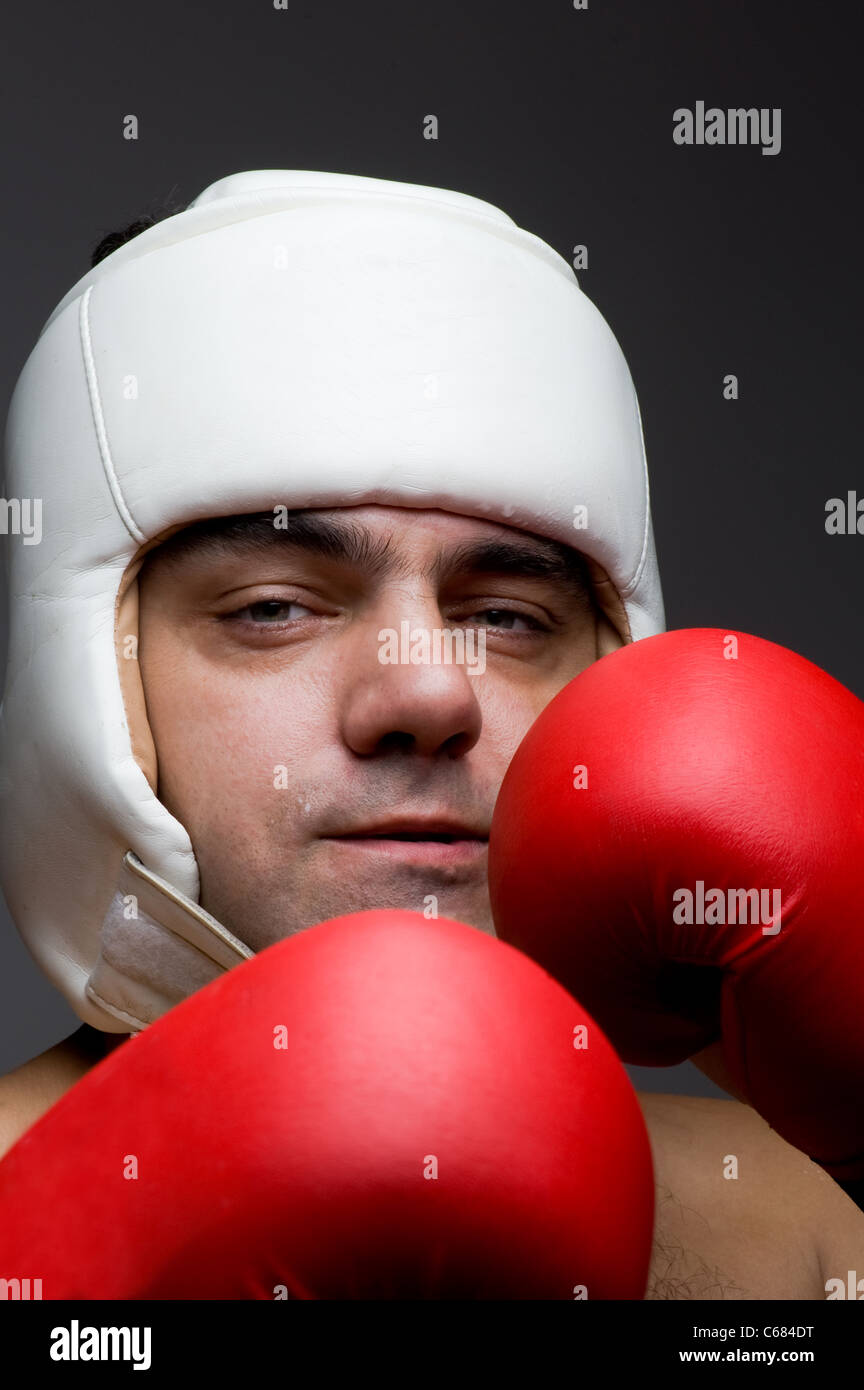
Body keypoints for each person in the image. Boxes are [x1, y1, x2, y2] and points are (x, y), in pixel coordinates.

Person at [0, 171, 862, 1299]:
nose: (429, 694)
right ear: (96, 681)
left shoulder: (803, 1228)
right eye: (275, 607)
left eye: (506, 616)